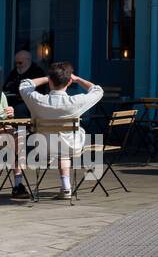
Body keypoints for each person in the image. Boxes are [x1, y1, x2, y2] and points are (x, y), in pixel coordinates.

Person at [19, 62, 104, 200]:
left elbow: (24, 85)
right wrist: (77, 79)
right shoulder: (75, 101)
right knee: (65, 147)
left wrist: (47, 78)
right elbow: (98, 91)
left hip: (43, 146)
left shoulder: (37, 100)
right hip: (71, 146)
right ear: (69, 82)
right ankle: (66, 187)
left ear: (50, 81)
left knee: (59, 146)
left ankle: (66, 187)